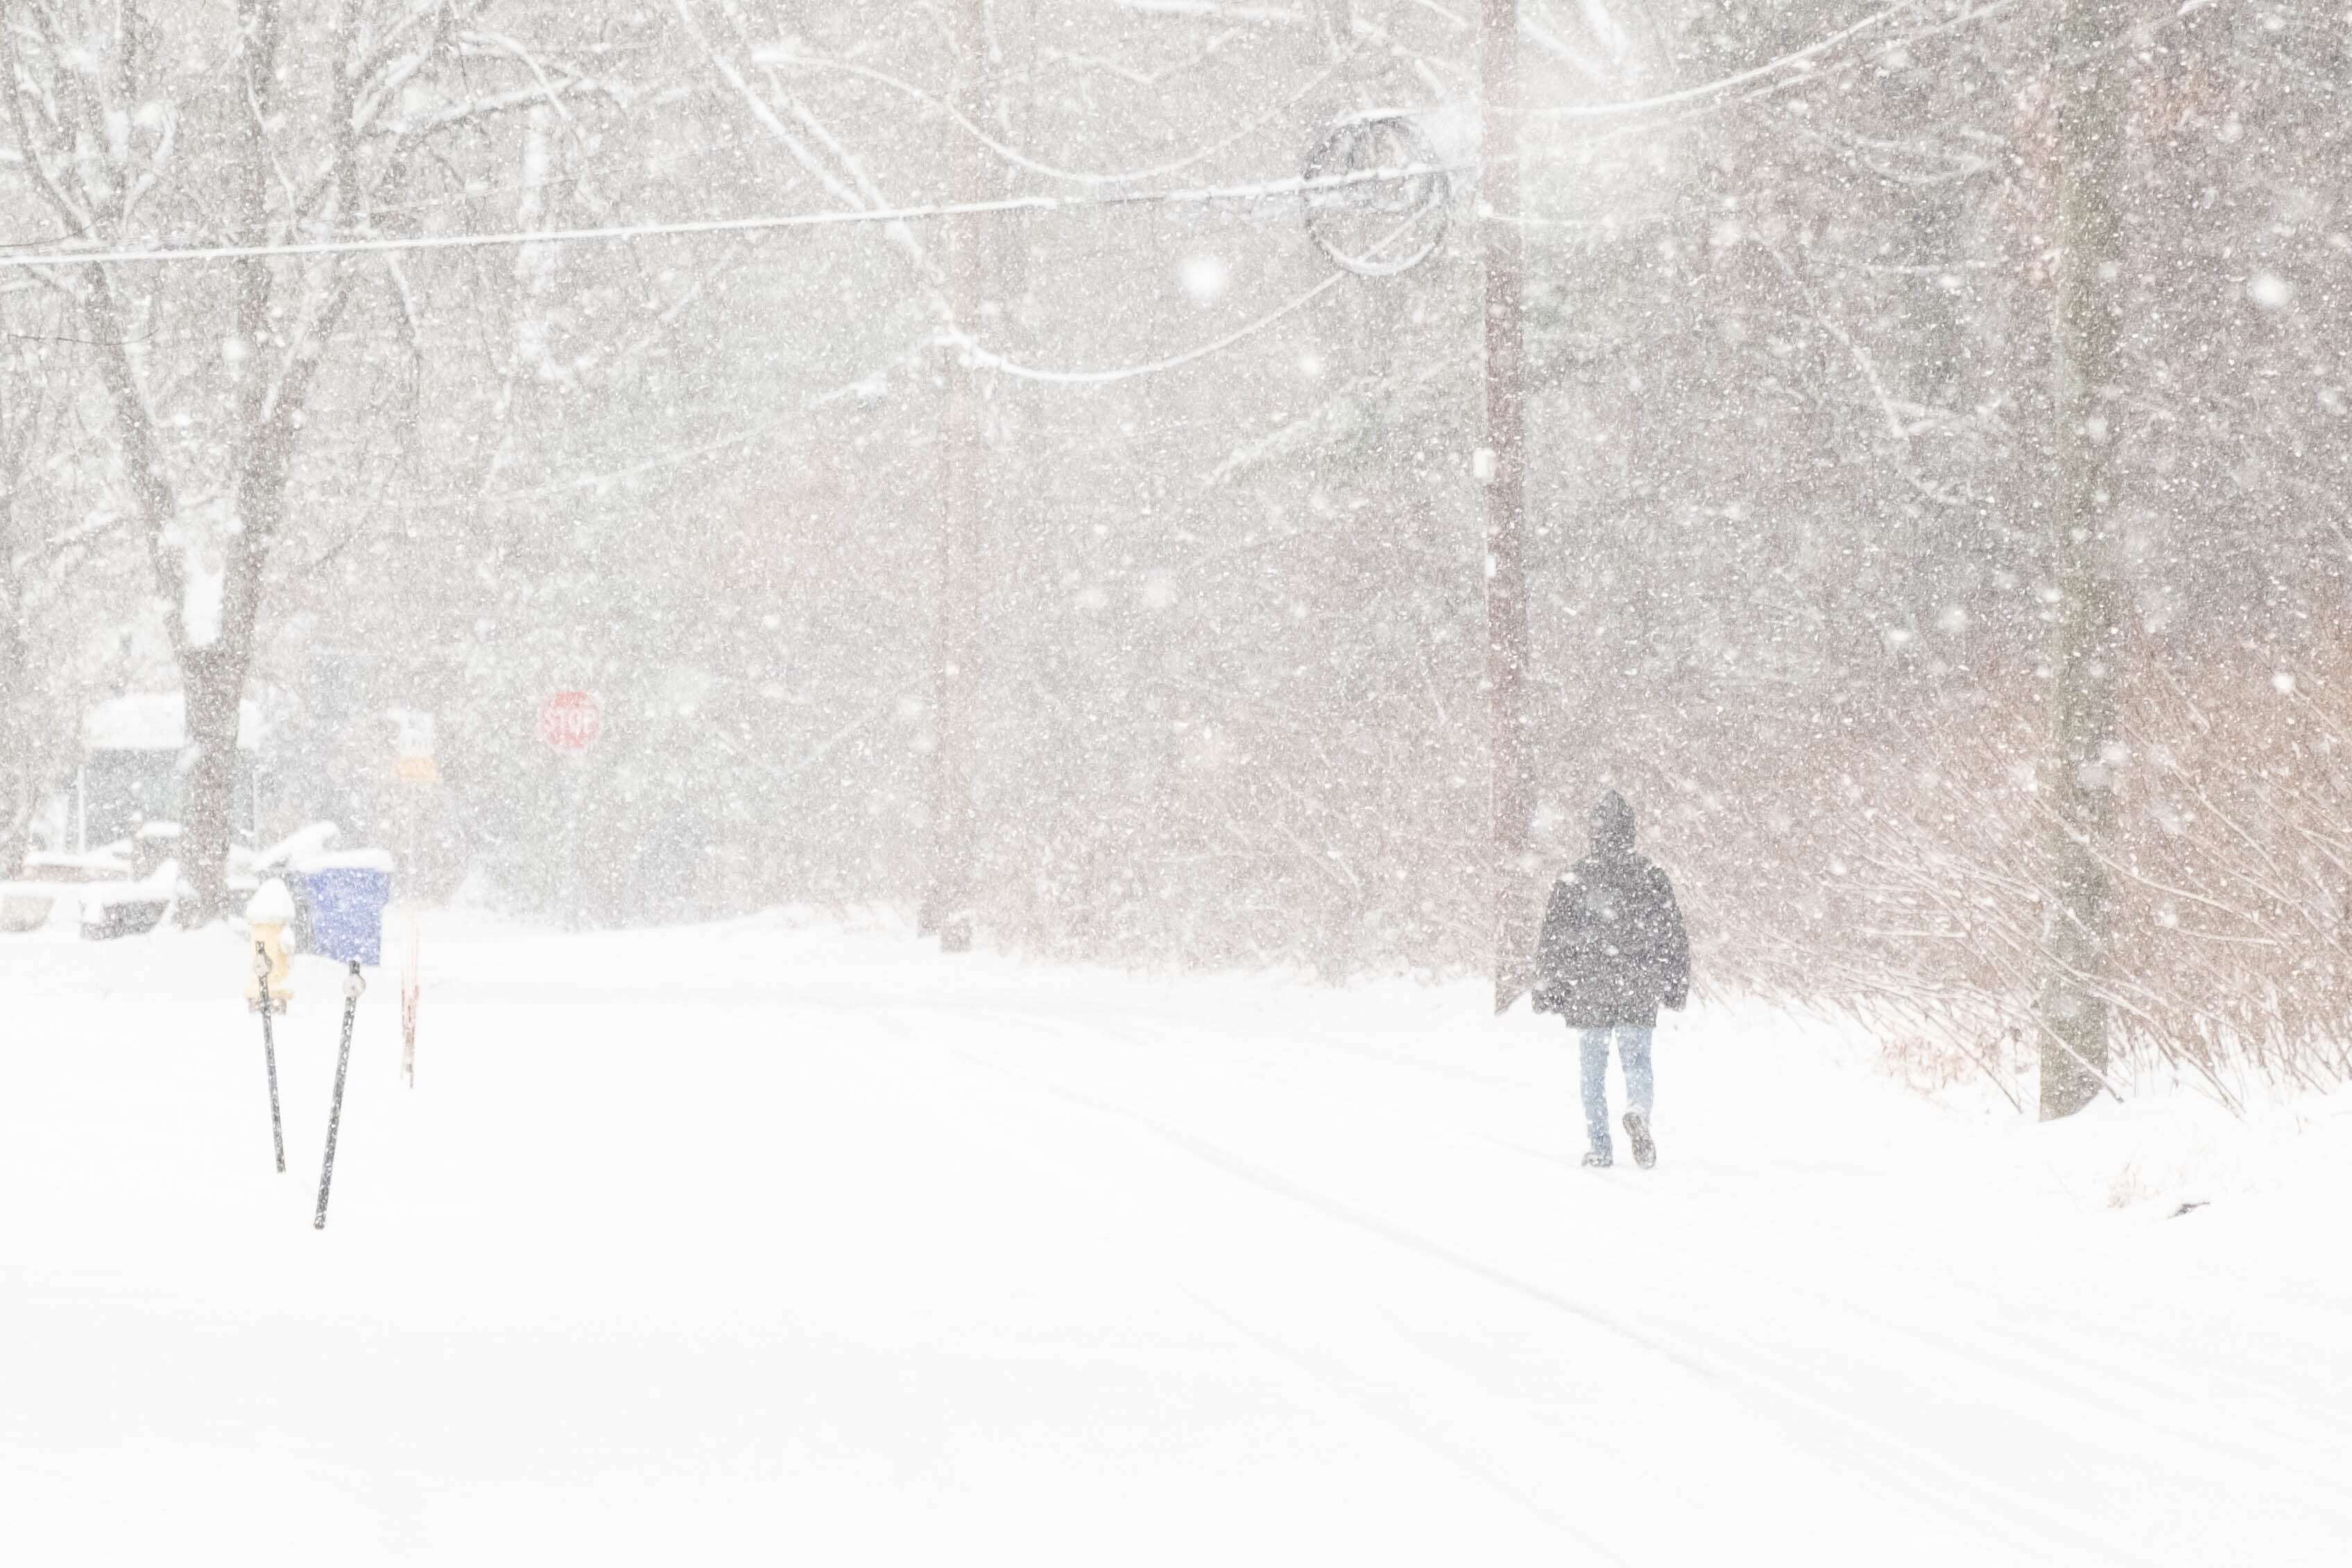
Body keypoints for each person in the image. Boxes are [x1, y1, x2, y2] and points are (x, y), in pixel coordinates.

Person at [1531, 791, 1690, 1169]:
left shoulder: (1574, 879)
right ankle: (1638, 1109)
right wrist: (1674, 983)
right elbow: (1673, 934)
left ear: (1595, 832)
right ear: (1631, 831)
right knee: (1637, 1062)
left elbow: (1555, 937)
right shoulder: (1652, 877)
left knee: (1593, 1070)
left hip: (1591, 987)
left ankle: (1600, 1148)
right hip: (1638, 983)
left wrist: (1549, 986)